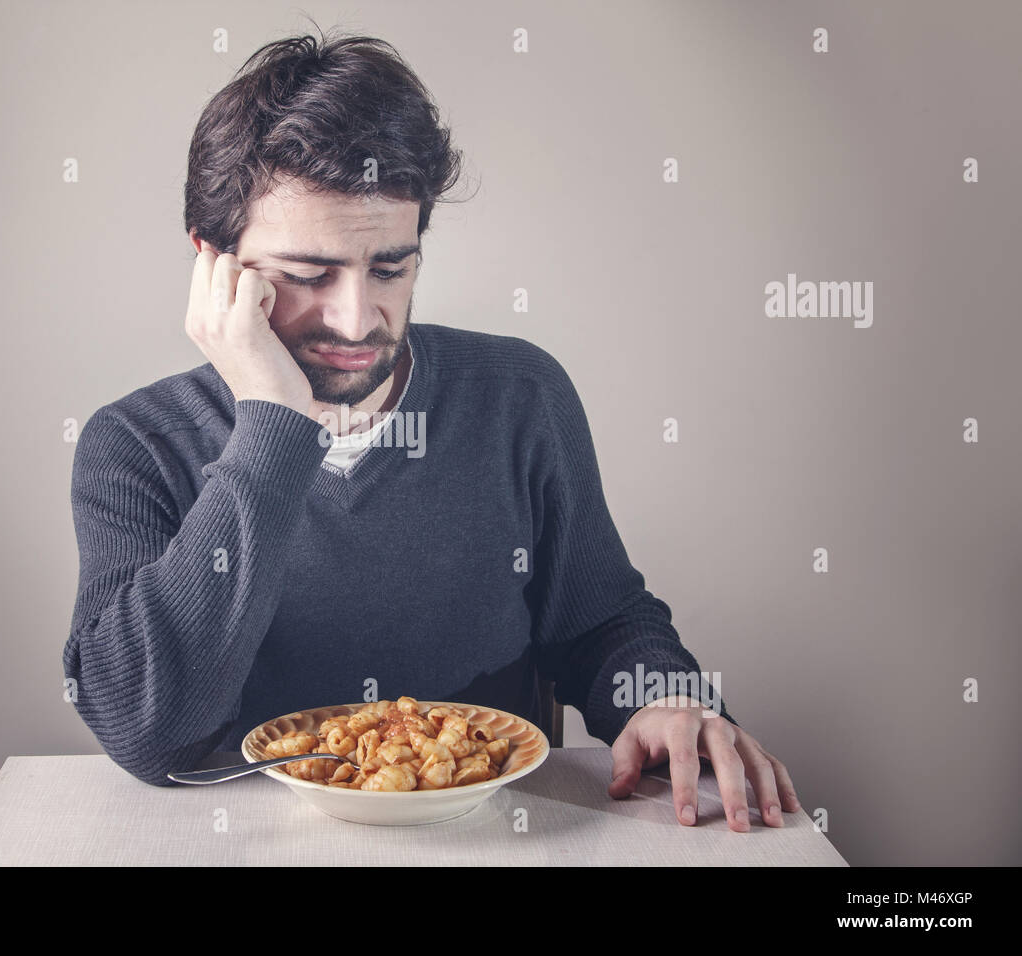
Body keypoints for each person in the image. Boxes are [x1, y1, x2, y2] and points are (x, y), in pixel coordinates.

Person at [63, 29, 800, 831]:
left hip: (494, 838)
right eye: (308, 275)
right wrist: (274, 423)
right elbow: (145, 731)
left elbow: (602, 622)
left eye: (390, 268)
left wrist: (662, 699)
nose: (356, 319)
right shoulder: (135, 445)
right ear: (214, 263)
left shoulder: (520, 397)